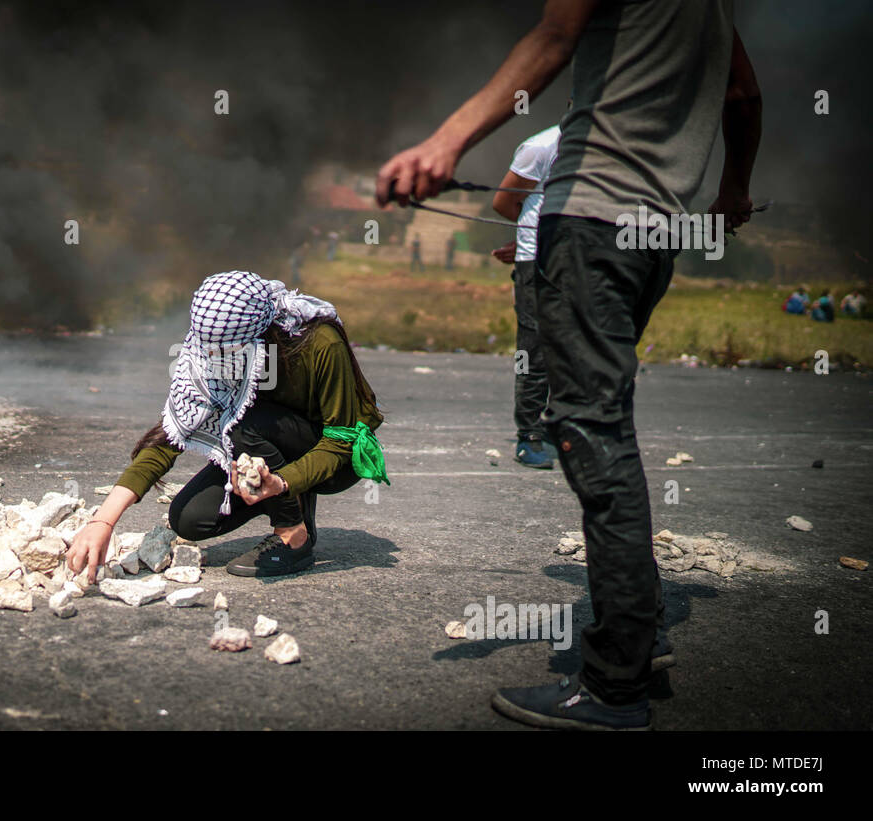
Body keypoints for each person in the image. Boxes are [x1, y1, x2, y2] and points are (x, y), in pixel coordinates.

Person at [376, 0, 759, 730]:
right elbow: (743, 93)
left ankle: (617, 682)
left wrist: (445, 142)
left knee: (592, 435)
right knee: (603, 427)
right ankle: (637, 636)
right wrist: (734, 187)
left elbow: (555, 34)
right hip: (654, 235)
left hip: (593, 224)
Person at [65, 271, 388, 582]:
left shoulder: (318, 342)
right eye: (211, 353)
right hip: (258, 444)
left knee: (243, 425)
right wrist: (103, 521)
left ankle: (293, 534)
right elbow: (171, 435)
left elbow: (340, 440)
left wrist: (282, 482)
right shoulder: (211, 347)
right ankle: (291, 499)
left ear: (259, 337)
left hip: (332, 457)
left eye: (227, 353)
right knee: (190, 519)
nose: (217, 361)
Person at [491, 124, 561, 470]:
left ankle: (559, 424)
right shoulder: (542, 146)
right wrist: (527, 241)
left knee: (578, 345)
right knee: (533, 348)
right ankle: (529, 435)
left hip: (583, 259)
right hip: (538, 262)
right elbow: (504, 201)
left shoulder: (610, 150)